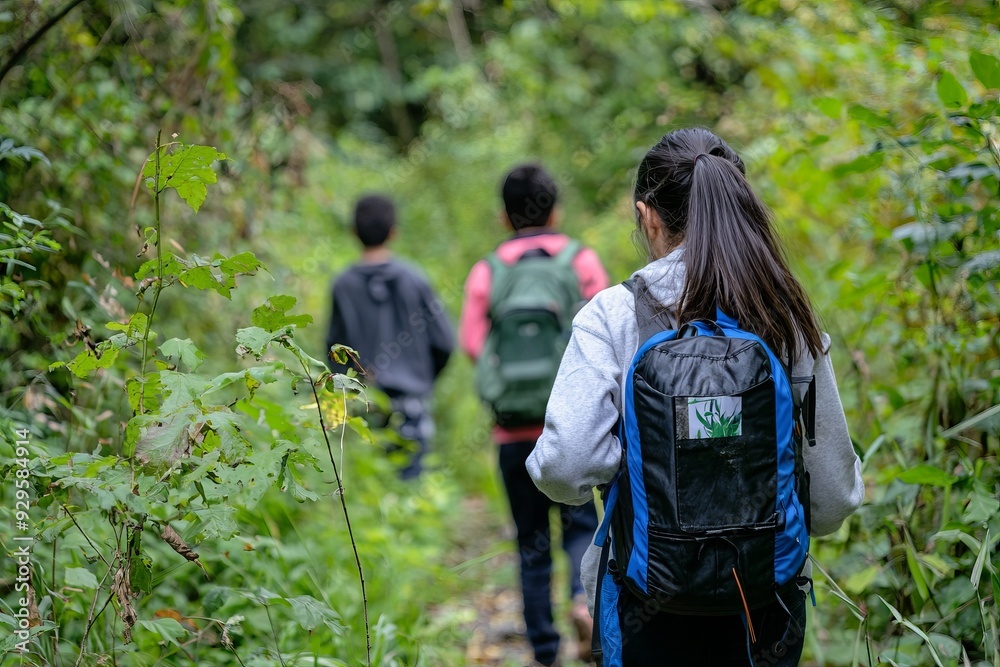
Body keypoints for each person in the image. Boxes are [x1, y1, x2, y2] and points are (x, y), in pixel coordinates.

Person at [526, 129, 865, 666]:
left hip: (645, 601)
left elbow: (565, 466)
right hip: (763, 605)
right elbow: (833, 498)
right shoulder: (787, 318)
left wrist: (636, 469)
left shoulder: (612, 318)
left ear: (648, 217)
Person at [460, 164, 610, 666]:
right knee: (581, 524)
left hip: (511, 431)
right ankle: (583, 605)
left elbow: (472, 344)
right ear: (556, 209)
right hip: (572, 429)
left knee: (529, 538)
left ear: (504, 217)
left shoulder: (488, 270)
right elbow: (605, 338)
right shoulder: (580, 261)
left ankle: (544, 650)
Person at [325, 193, 454, 479]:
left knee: (370, 483)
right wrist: (422, 378)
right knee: (411, 482)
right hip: (412, 400)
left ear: (354, 232)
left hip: (364, 402)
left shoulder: (343, 285)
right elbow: (444, 342)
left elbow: (333, 350)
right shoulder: (415, 279)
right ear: (394, 232)